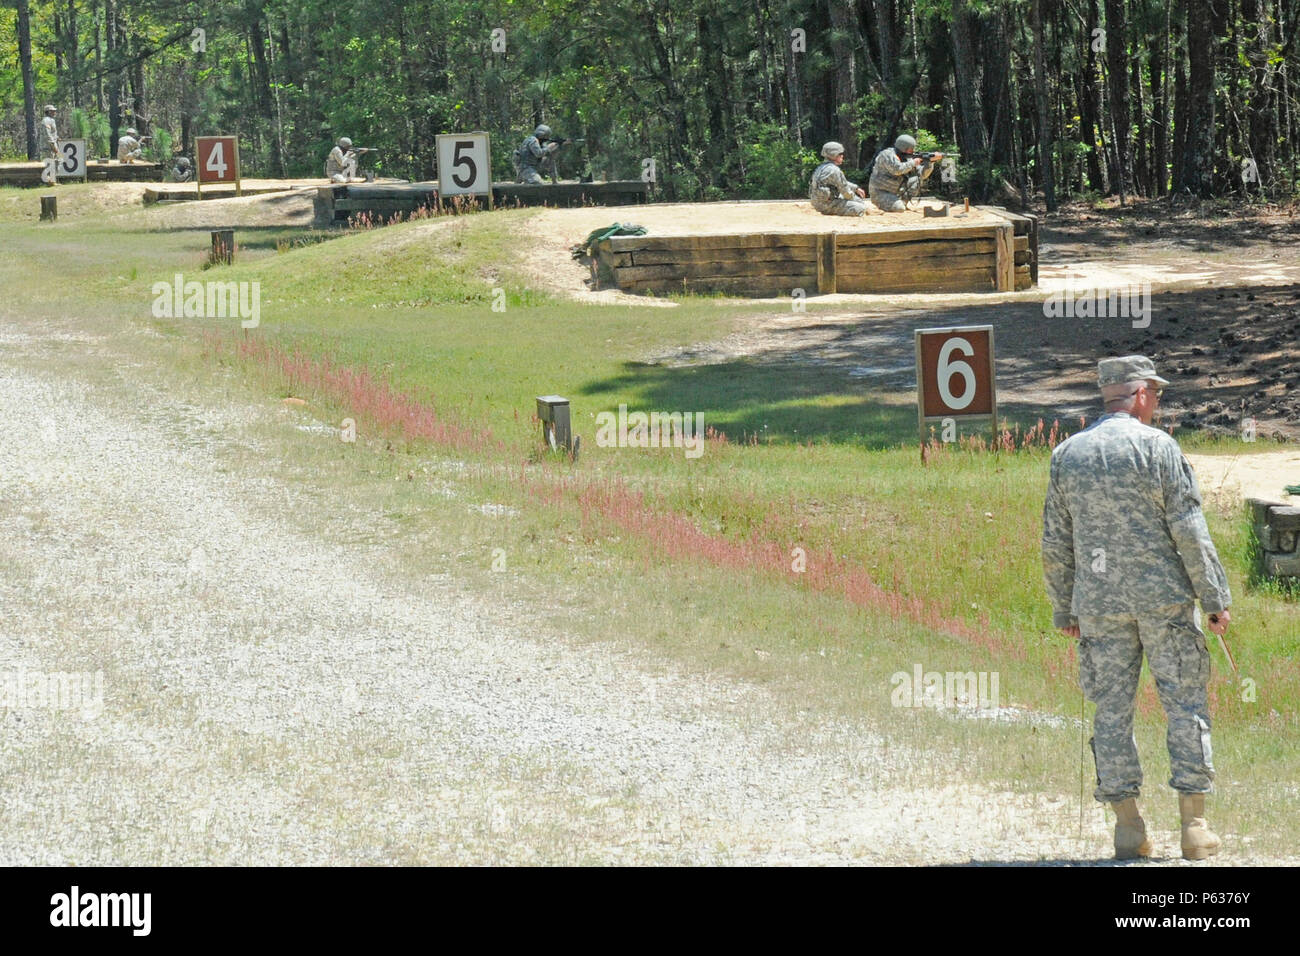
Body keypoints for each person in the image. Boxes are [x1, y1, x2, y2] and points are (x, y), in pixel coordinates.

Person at [1042, 355, 1232, 861]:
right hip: (1164, 601)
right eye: (1158, 394)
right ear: (1142, 393)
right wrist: (1214, 598)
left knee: (1110, 711)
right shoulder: (1159, 448)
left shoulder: (1067, 455)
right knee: (1184, 705)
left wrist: (1065, 609)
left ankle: (1128, 828)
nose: (1159, 403)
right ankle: (1194, 826)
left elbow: (1056, 543)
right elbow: (1190, 530)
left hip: (1099, 606)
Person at [869, 134, 941, 211]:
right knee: (899, 208)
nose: (913, 150)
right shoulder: (887, 155)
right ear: (903, 147)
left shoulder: (907, 158)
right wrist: (914, 162)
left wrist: (930, 162)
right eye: (911, 149)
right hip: (880, 193)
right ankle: (892, 204)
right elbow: (897, 170)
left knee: (916, 179)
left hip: (895, 192)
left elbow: (922, 174)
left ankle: (902, 202)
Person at [808, 142, 868, 216]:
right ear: (834, 155)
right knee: (860, 208)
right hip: (826, 206)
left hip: (816, 203)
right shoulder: (834, 170)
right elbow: (846, 193)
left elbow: (841, 182)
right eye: (840, 154)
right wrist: (858, 200)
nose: (842, 156)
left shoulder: (820, 168)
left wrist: (856, 188)